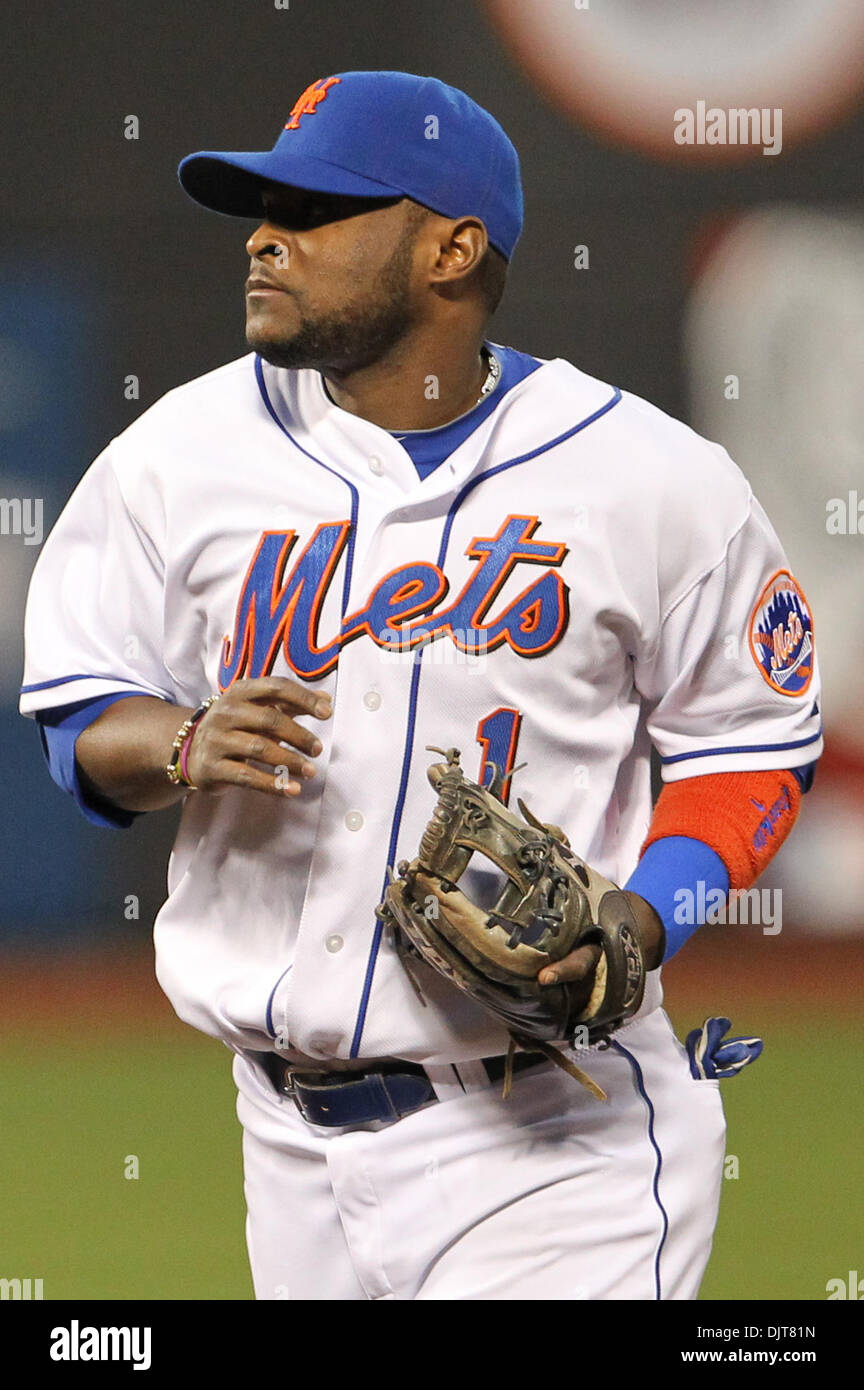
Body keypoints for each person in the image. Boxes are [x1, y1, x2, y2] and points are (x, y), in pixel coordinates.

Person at [21, 71, 821, 1300]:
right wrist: (179, 741)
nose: (266, 235)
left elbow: (748, 741)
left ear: (452, 249)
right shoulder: (176, 455)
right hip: (285, 1146)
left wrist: (647, 914)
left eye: (319, 207)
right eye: (261, 204)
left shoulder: (651, 479)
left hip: (556, 1146)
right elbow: (79, 718)